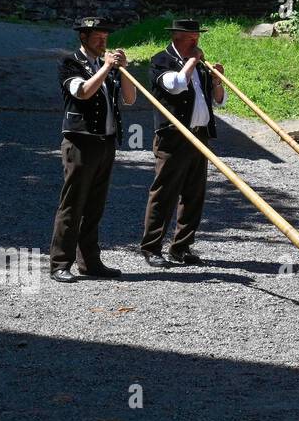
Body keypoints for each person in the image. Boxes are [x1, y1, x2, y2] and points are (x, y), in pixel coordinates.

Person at [48, 16, 136, 283]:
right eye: (97, 37)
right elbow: (83, 91)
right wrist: (106, 68)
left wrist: (124, 70)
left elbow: (130, 99)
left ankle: (90, 262)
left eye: (105, 37)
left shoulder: (106, 66)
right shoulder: (70, 62)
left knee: (95, 205)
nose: (103, 41)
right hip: (80, 141)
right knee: (73, 204)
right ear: (83, 38)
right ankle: (60, 263)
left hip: (106, 141)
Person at [139, 19, 226, 268]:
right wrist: (192, 61)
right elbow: (176, 86)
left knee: (194, 194)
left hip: (200, 136)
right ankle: (152, 247)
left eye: (197, 37)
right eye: (191, 38)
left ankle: (182, 247)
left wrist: (217, 80)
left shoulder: (199, 65)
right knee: (164, 193)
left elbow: (219, 101)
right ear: (177, 37)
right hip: (173, 136)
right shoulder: (161, 60)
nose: (196, 42)